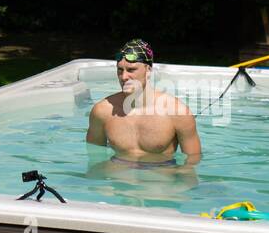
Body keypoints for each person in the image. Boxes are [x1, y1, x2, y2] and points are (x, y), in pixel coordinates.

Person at [85, 39, 201, 169]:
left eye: (131, 70)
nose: (124, 77)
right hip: (118, 183)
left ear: (149, 70)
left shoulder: (177, 112)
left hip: (160, 184)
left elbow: (191, 164)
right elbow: (94, 158)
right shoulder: (102, 111)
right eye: (120, 70)